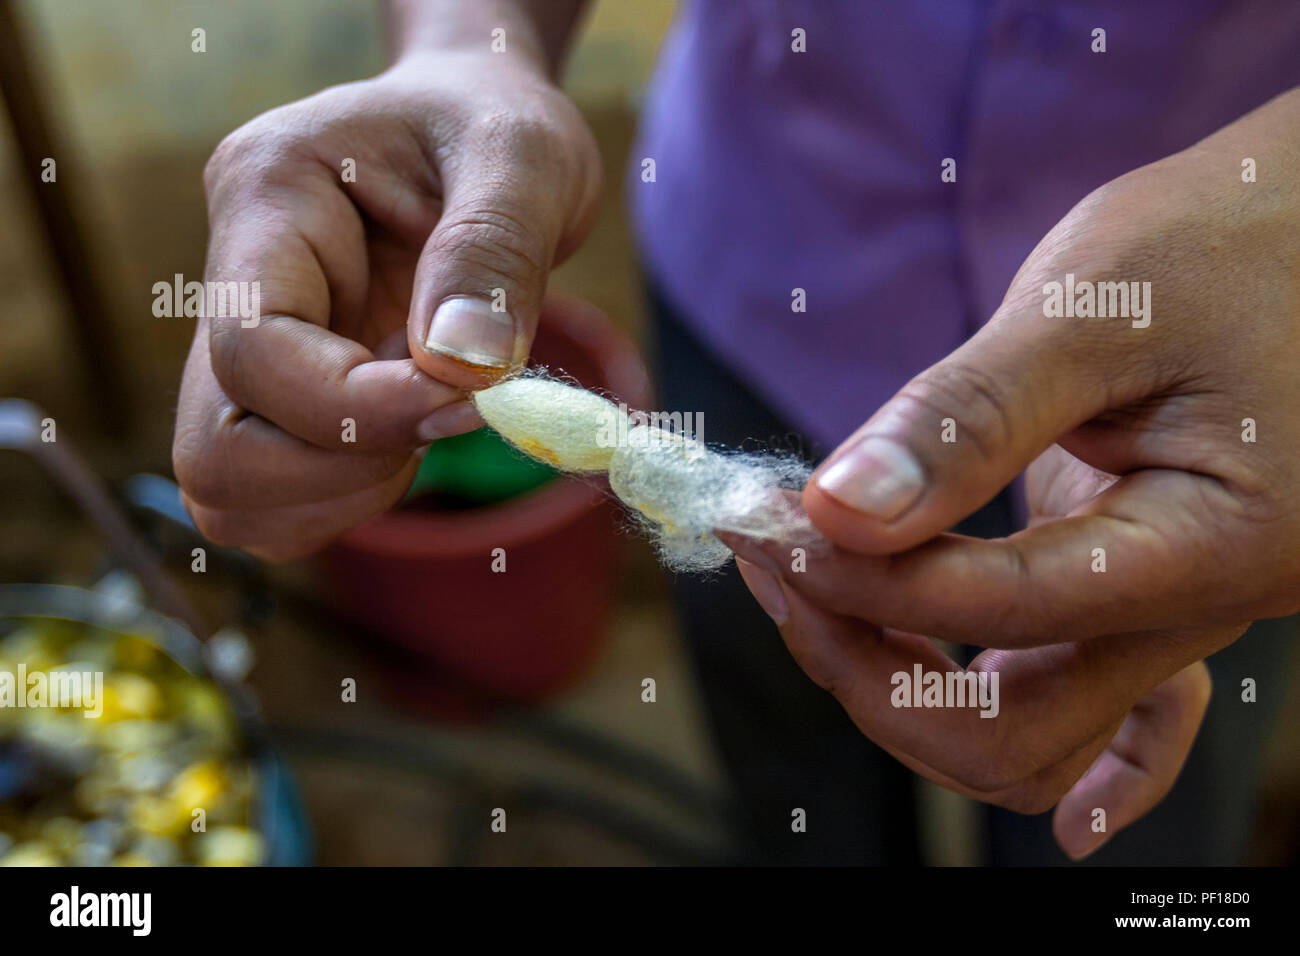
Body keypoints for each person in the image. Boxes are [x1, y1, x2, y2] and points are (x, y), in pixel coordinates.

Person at [172, 0, 1300, 864]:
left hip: (1223, 375)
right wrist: (468, 47)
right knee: (790, 746)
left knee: (1123, 794)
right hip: (762, 270)